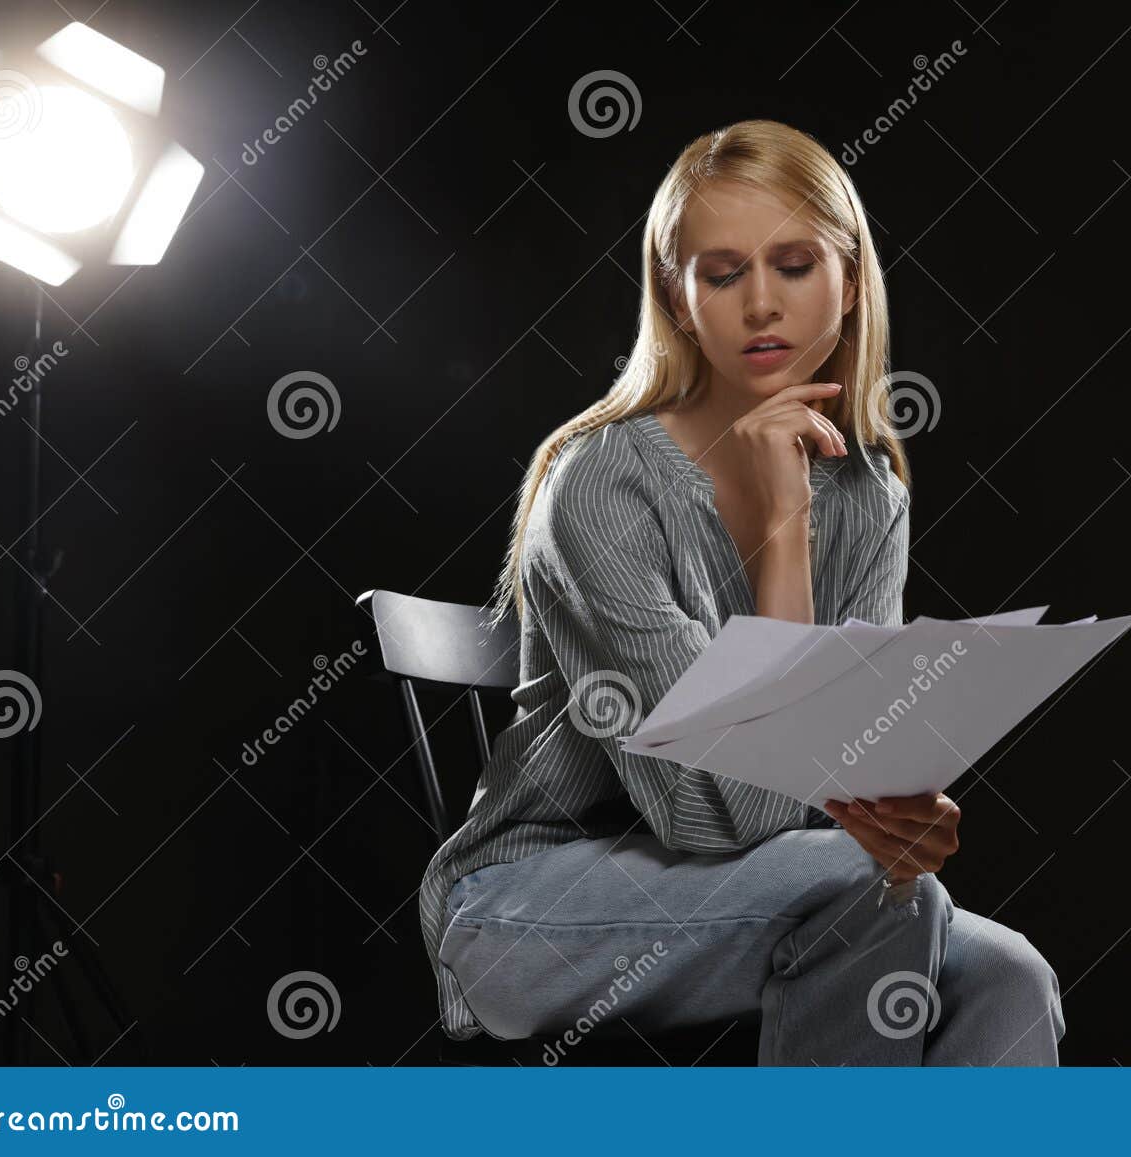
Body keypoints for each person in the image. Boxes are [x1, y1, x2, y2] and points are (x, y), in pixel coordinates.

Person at [417, 118, 1064, 1065]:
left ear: (849, 282)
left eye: (795, 264)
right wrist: (781, 526)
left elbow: (834, 775)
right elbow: (723, 814)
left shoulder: (869, 492)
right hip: (530, 911)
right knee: (861, 887)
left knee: (1010, 975)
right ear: (679, 302)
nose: (761, 302)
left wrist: (895, 810)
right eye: (722, 274)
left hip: (764, 887)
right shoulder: (600, 483)